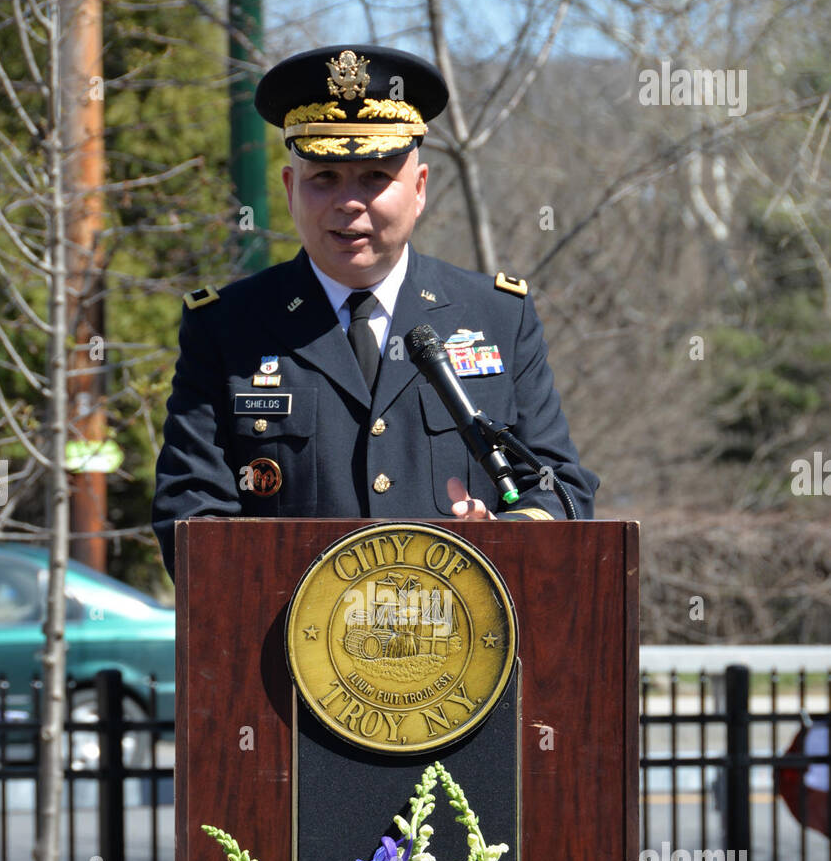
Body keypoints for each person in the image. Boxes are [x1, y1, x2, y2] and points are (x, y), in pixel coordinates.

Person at [152, 45, 599, 582]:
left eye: (375, 177)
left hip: (457, 646)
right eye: (325, 179)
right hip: (290, 653)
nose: (349, 203)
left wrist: (505, 539)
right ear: (291, 191)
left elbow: (559, 488)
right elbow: (190, 513)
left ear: (419, 189)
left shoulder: (498, 317)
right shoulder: (226, 326)